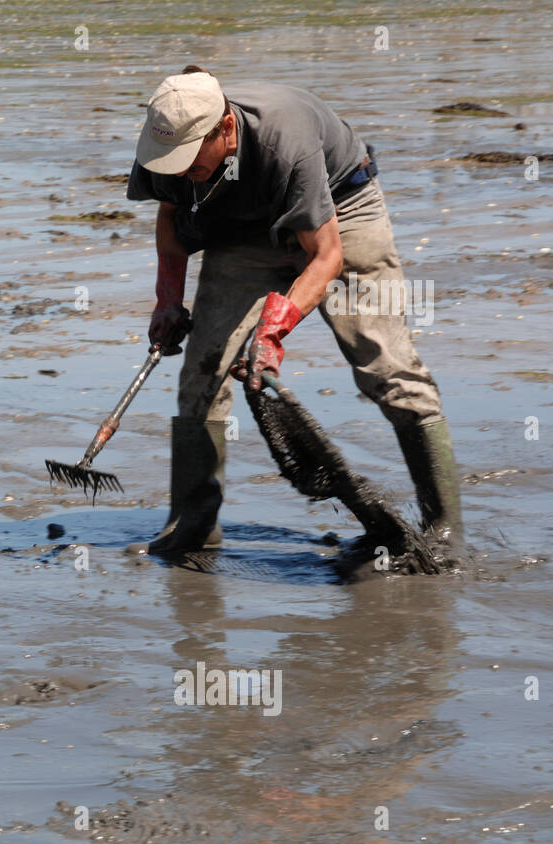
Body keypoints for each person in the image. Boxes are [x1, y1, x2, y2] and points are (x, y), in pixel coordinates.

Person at [126, 67, 464, 563]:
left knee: (386, 366)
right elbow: (173, 222)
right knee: (203, 370)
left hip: (342, 210)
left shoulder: (287, 143)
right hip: (243, 226)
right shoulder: (166, 143)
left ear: (224, 129)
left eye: (189, 162)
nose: (176, 172)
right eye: (170, 163)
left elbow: (325, 256)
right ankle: (193, 524)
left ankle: (445, 527)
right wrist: (167, 301)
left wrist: (274, 331)